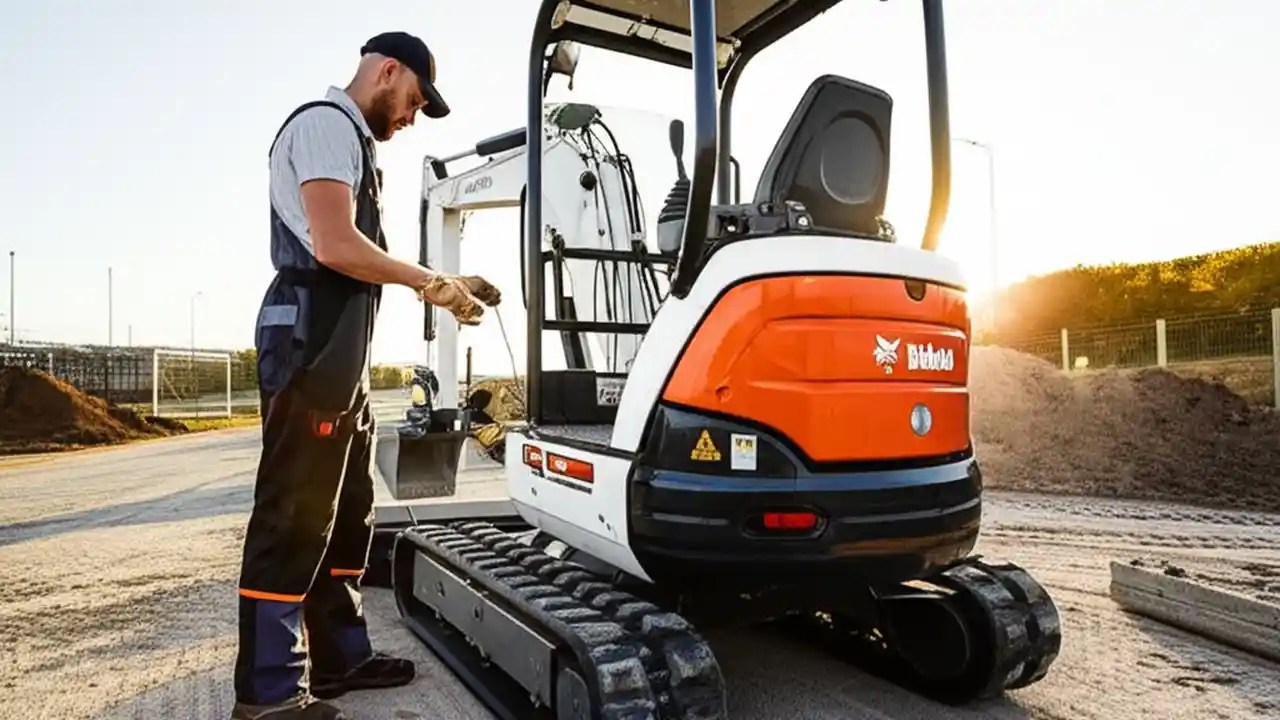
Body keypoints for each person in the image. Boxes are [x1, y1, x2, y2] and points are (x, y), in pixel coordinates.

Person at [232, 31, 500, 720]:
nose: (412, 116)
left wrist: (446, 279)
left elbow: (363, 254)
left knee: (346, 512)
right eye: (413, 100)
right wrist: (429, 283)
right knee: (294, 515)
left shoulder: (354, 143)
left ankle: (340, 658)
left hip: (339, 349)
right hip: (309, 341)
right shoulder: (324, 127)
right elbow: (334, 244)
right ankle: (267, 694)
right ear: (388, 71)